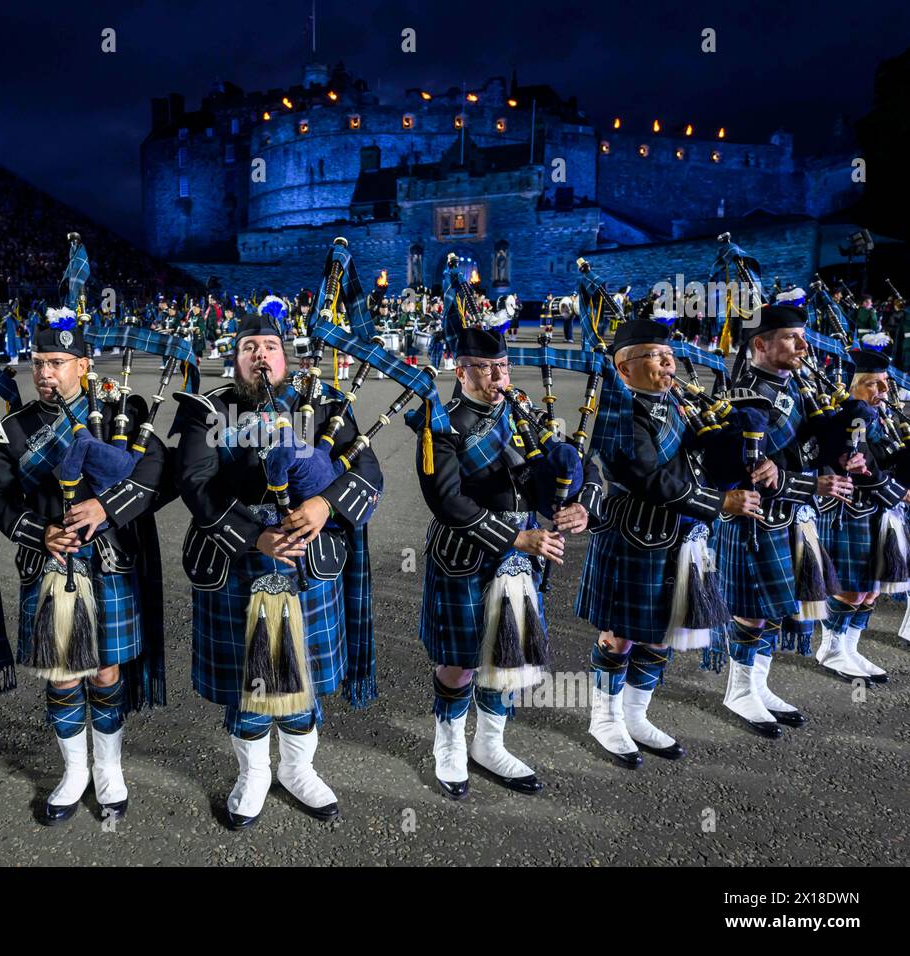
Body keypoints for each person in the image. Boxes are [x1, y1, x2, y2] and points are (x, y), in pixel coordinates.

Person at [173, 312, 382, 829]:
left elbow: (370, 473)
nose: (260, 355)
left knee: (300, 677)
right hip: (239, 559)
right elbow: (197, 484)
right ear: (235, 358)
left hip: (308, 560)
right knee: (251, 683)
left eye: (270, 346)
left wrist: (324, 507)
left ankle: (298, 769)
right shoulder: (211, 410)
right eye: (249, 347)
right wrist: (254, 535)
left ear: (284, 358)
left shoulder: (325, 406)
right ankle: (254, 774)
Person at [0, 319, 167, 824]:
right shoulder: (16, 426)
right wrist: (37, 531)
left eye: (57, 363)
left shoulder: (119, 411)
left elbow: (155, 472)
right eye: (38, 363)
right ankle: (73, 771)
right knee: (62, 673)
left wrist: (106, 508)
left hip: (107, 560)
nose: (46, 373)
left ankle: (108, 770)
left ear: (83, 367)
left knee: (106, 669)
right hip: (48, 561)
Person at [418, 327, 595, 796]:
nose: (496, 376)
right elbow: (446, 500)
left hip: (523, 558)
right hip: (467, 554)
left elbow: (585, 465)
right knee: (460, 663)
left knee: (506, 656)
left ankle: (489, 744)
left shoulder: (526, 416)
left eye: (501, 367)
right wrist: (515, 537)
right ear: (461, 371)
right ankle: (450, 744)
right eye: (484, 368)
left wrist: (582, 502)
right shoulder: (441, 422)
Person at [576, 319, 758, 766]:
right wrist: (720, 502)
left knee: (662, 633)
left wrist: (732, 437)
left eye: (669, 354)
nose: (668, 362)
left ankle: (636, 715)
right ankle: (605, 717)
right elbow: (650, 480)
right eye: (655, 356)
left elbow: (705, 457)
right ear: (624, 368)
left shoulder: (677, 402)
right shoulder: (619, 414)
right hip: (636, 534)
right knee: (621, 636)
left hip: (682, 535)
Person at [711, 305, 855, 736]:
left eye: (802, 336)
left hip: (790, 517)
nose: (804, 345)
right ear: (760, 344)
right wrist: (811, 485)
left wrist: (843, 454)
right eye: (792, 338)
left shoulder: (795, 384)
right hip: (756, 520)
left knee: (777, 608)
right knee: (752, 612)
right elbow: (748, 476)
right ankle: (739, 691)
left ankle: (758, 685)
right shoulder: (745, 397)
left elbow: (807, 446)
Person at [814, 348, 909, 684]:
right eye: (874, 385)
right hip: (848, 510)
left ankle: (849, 647)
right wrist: (898, 490)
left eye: (884, 386)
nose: (882, 393)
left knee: (871, 588)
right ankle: (830, 647)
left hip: (877, 510)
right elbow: (861, 464)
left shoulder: (877, 414)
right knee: (851, 589)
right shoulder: (846, 416)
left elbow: (882, 457)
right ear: (854, 385)